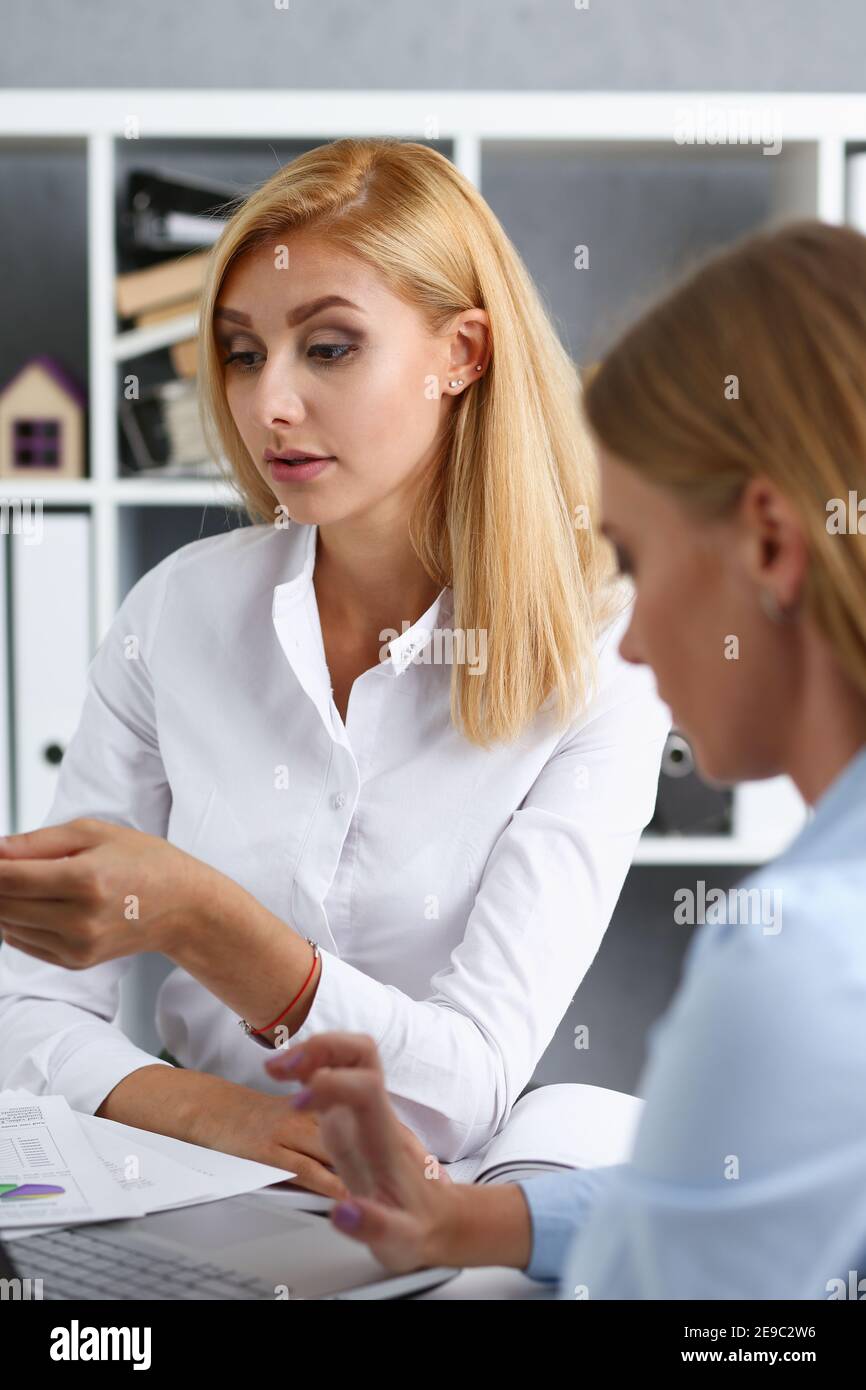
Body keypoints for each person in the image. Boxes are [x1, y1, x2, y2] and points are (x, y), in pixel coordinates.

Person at [0, 138, 668, 1196]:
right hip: (189, 1176)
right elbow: (26, 1006)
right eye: (240, 351)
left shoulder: (601, 651)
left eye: (328, 348)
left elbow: (463, 1086)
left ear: (463, 352)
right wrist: (207, 1112)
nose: (268, 405)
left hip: (436, 1202)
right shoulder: (176, 611)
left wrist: (201, 918)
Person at [265, 219, 866, 1298]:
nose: (625, 641)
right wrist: (469, 1220)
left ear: (771, 543)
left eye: (633, 560)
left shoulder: (801, 961)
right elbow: (723, 1197)